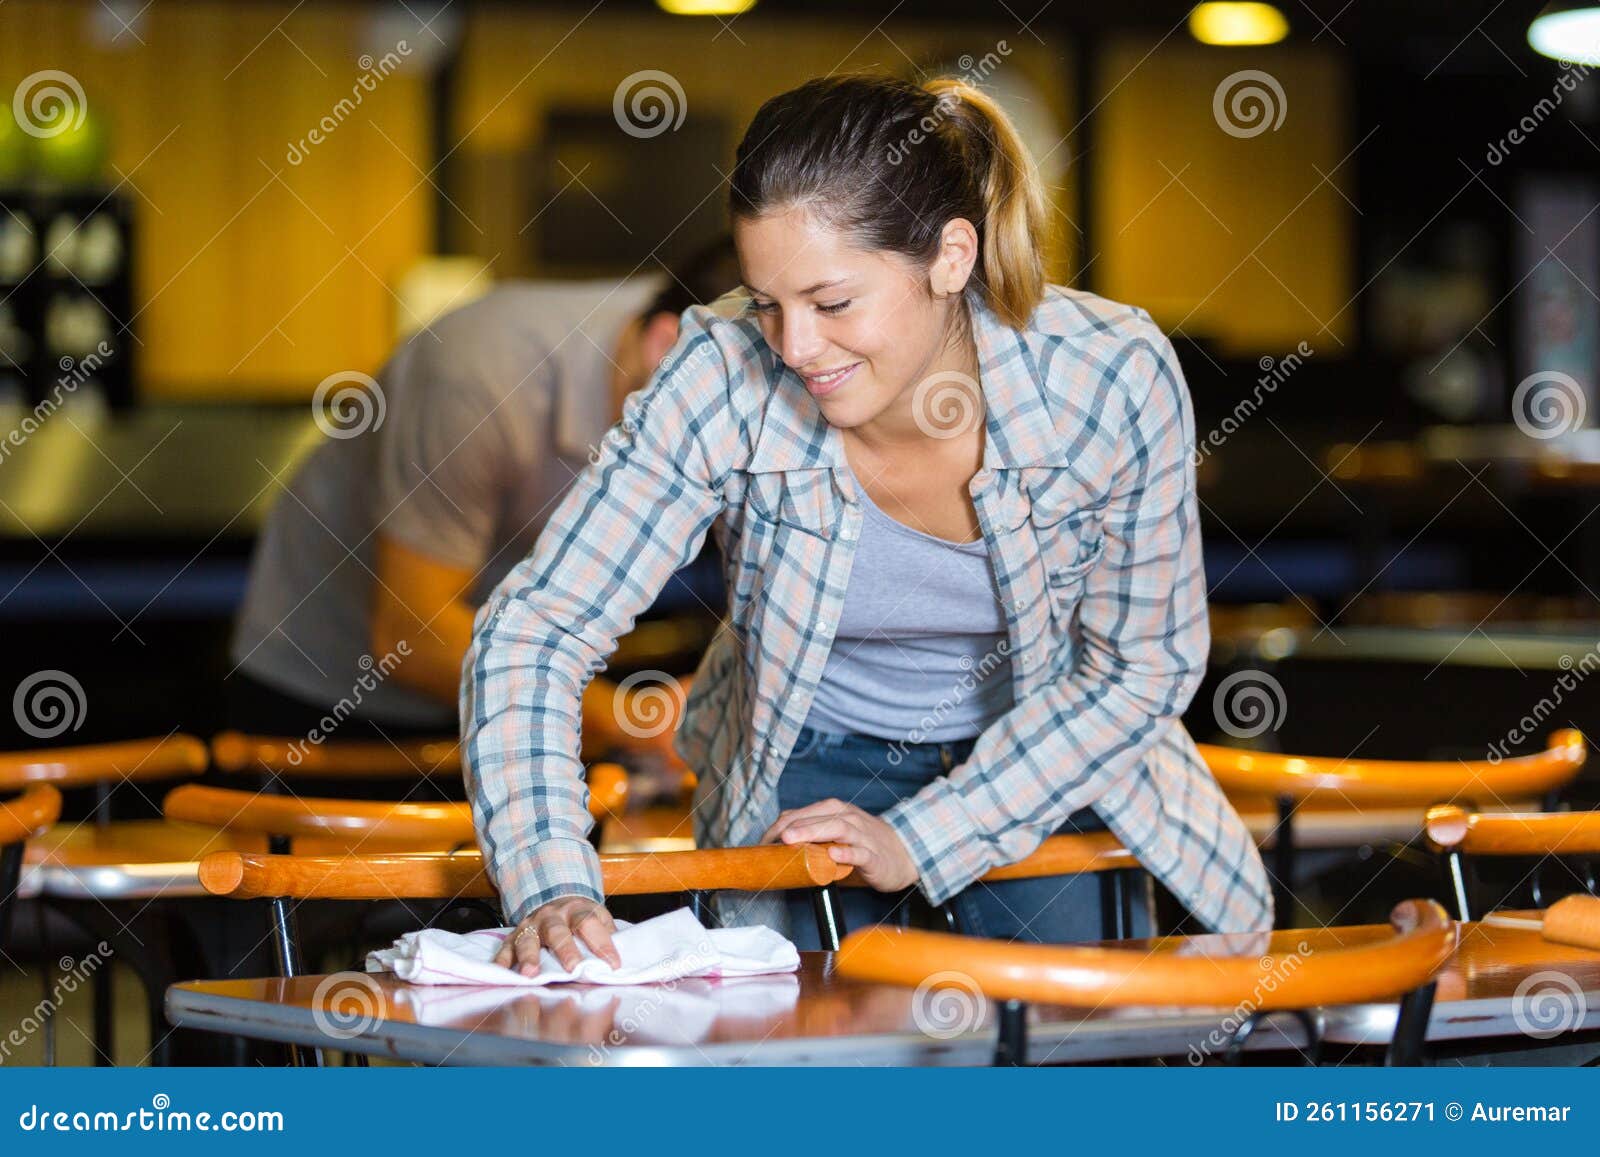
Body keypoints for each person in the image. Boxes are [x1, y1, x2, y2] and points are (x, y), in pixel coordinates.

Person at [465, 74, 1272, 976]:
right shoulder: (720, 372)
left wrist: (929, 833)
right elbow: (534, 631)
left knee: (1059, 1071)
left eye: (833, 302)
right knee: (812, 1076)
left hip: (1049, 761)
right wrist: (552, 883)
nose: (794, 347)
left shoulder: (1109, 374)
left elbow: (1139, 664)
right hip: (804, 767)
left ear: (951, 257)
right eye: (767, 302)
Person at [228, 238, 741, 749]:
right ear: (663, 348)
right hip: (334, 694)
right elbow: (413, 639)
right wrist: (632, 721)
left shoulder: (724, 329)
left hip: (510, 679)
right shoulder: (480, 379)